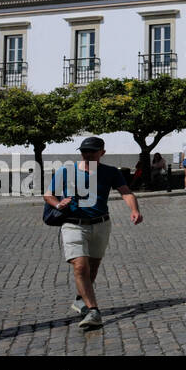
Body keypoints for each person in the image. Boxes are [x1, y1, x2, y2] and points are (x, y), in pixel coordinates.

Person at [42, 136, 143, 330]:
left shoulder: (110, 172)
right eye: (84, 152)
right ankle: (93, 310)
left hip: (101, 224)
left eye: (92, 152)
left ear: (102, 153)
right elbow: (48, 194)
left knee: (93, 266)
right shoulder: (66, 171)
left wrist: (134, 210)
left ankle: (81, 299)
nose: (87, 155)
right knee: (80, 267)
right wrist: (58, 203)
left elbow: (126, 192)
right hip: (73, 224)